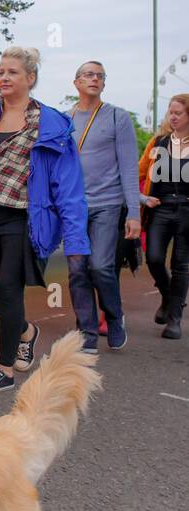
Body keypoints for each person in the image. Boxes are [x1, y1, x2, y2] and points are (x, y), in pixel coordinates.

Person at [0, 47, 91, 392]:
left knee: (9, 289)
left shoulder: (51, 125)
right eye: (0, 72)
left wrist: (76, 242)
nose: (4, 78)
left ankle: (4, 369)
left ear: (30, 78)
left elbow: (69, 189)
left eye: (12, 72)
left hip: (25, 218)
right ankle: (26, 332)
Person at [67, 61, 141, 351]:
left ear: (104, 84)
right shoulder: (64, 119)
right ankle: (86, 331)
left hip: (108, 204)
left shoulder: (117, 118)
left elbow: (129, 169)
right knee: (76, 270)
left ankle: (114, 316)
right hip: (73, 207)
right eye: (88, 74)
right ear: (76, 82)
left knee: (100, 265)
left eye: (100, 75)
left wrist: (133, 212)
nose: (94, 78)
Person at [139, 94, 189, 339]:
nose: (173, 116)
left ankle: (175, 319)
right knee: (154, 258)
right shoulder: (158, 142)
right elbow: (138, 172)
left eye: (178, 113)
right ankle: (169, 298)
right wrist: (141, 200)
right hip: (160, 207)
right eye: (171, 112)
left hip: (187, 211)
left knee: (181, 265)